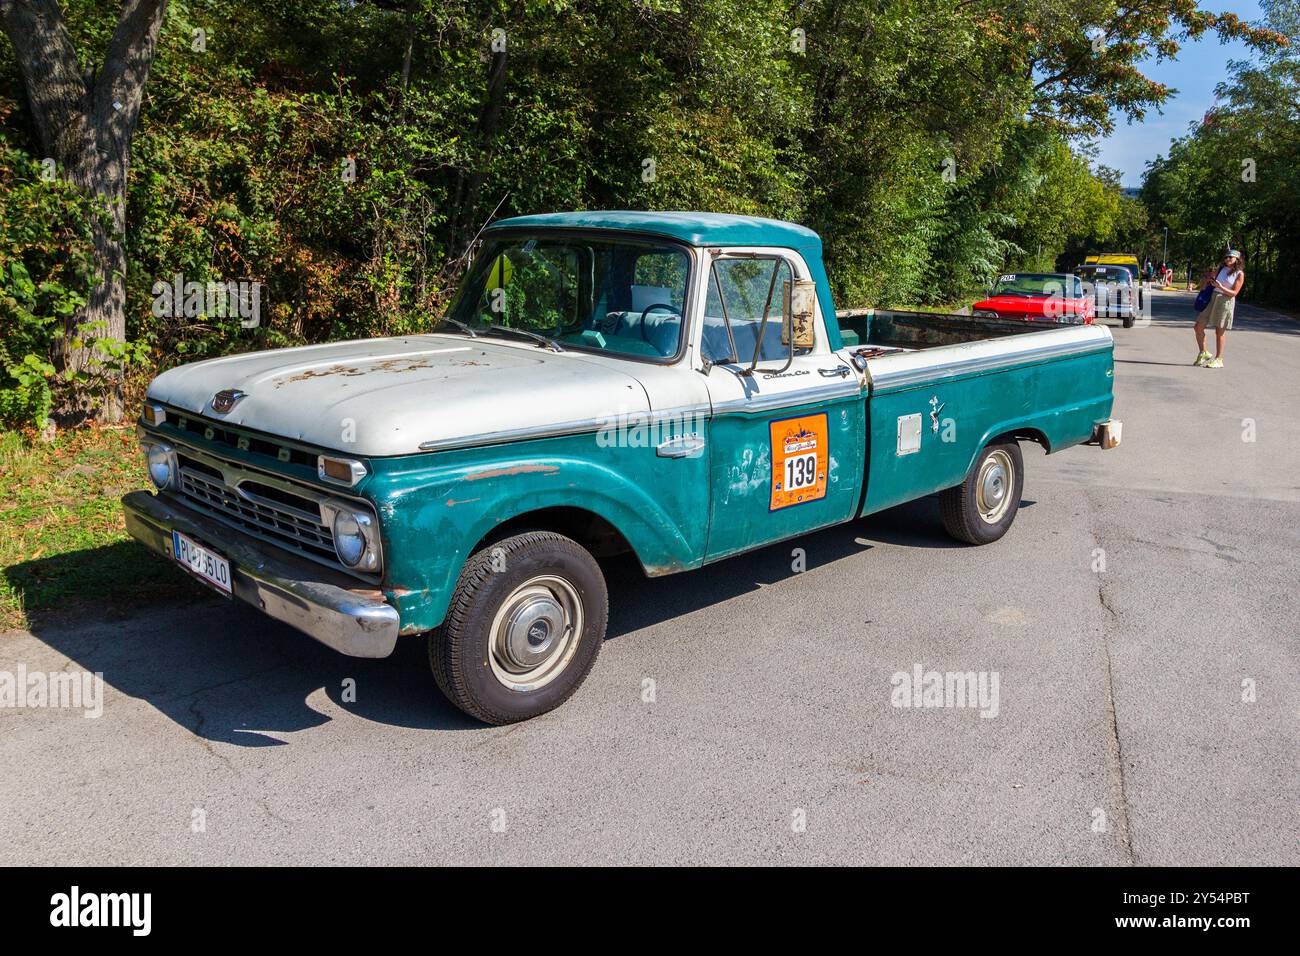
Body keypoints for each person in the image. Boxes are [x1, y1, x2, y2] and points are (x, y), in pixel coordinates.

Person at [1193, 250, 1245, 368]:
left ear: (1237, 259)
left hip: (1225, 300)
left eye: (1231, 257)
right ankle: (1203, 352)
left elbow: (1234, 293)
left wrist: (1221, 287)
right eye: (1226, 257)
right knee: (1198, 327)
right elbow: (1205, 283)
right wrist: (1207, 280)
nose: (1228, 259)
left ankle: (1219, 359)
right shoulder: (1221, 269)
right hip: (1212, 298)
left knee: (1219, 331)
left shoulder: (1239, 274)